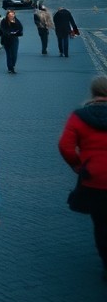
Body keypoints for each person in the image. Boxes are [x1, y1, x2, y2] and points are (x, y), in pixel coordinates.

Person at [58, 76, 107, 280]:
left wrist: (78, 165)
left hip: (94, 179)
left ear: (93, 93)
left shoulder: (79, 116)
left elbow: (65, 146)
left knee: (101, 224)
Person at [0, 9, 24, 74]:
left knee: (14, 54)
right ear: (7, 15)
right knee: (9, 54)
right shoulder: (4, 21)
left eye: (12, 14)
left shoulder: (16, 21)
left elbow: (20, 28)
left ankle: (13, 65)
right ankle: (10, 68)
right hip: (6, 40)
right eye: (10, 15)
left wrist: (16, 32)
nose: (11, 16)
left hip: (14, 39)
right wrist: (9, 33)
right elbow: (3, 29)